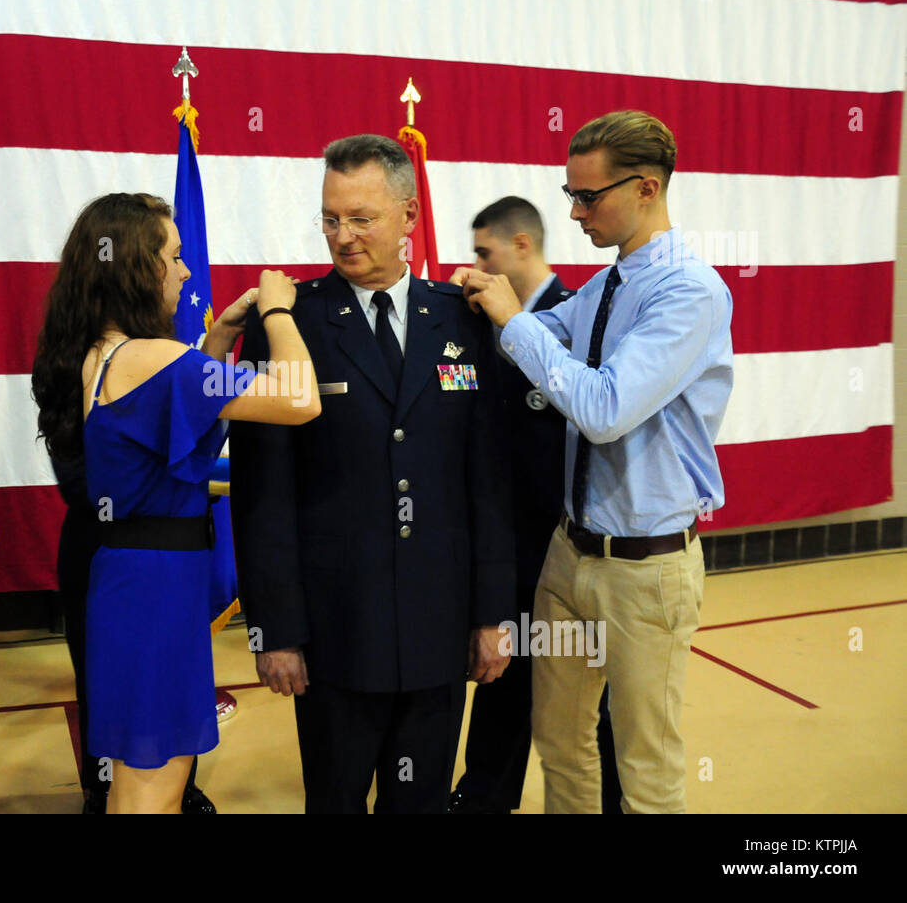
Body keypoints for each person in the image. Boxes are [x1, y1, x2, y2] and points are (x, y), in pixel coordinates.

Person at [229, 135, 517, 814]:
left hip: (438, 630)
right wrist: (275, 630)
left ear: (409, 216)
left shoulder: (462, 319)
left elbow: (488, 482)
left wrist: (493, 615)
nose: (342, 236)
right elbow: (262, 492)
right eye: (331, 218)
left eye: (362, 218)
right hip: (333, 636)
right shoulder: (287, 323)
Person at [459, 110, 733, 813]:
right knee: (560, 744)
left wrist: (512, 318)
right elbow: (546, 332)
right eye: (570, 195)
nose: (576, 213)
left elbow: (605, 406)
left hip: (646, 568)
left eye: (590, 197)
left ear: (646, 189)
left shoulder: (687, 290)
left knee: (644, 769)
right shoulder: (609, 284)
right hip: (570, 555)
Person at [31, 192, 320, 814]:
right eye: (175, 256)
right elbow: (300, 398)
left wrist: (217, 337)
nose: (186, 272)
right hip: (154, 586)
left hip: (138, 577)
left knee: (145, 774)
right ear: (139, 268)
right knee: (153, 783)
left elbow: (178, 415)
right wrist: (277, 311)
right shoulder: (151, 358)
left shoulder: (112, 353)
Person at [447, 196, 622, 814]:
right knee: (504, 681)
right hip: (505, 546)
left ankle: (612, 800)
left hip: (564, 541)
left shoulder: (577, 322)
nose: (477, 264)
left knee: (589, 696)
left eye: (485, 251)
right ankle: (484, 795)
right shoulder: (478, 324)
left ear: (521, 245)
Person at [51, 449, 218, 814]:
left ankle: (179, 788)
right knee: (108, 687)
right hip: (104, 543)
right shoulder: (79, 394)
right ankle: (103, 788)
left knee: (173, 682)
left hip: (176, 546)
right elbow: (80, 482)